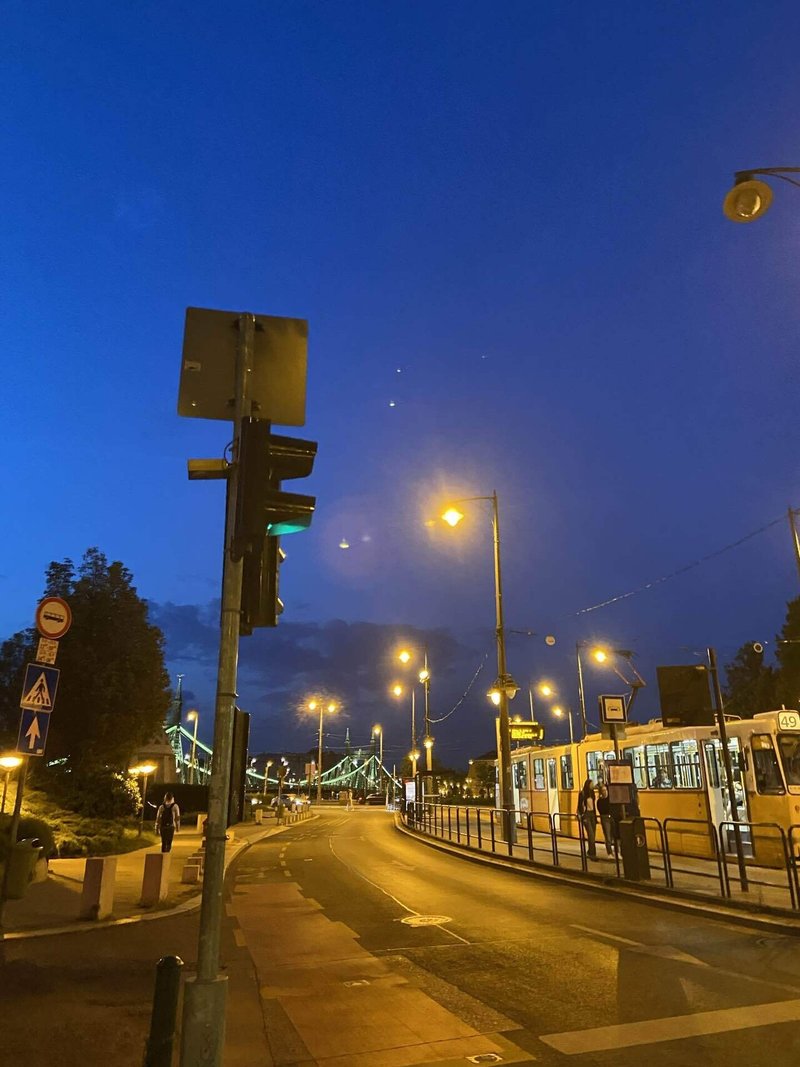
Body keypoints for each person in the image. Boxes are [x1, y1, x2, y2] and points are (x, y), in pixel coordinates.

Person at [577, 778, 598, 860]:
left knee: (593, 835)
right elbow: (579, 805)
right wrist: (582, 815)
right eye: (591, 784)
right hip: (586, 815)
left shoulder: (592, 793)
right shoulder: (582, 793)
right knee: (591, 835)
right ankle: (593, 855)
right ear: (588, 784)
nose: (593, 785)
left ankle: (590, 851)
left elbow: (593, 806)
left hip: (592, 814)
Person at [596, 783, 614, 856]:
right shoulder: (599, 801)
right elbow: (601, 810)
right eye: (603, 790)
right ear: (601, 792)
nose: (605, 791)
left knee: (614, 835)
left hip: (611, 817)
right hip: (605, 818)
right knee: (608, 836)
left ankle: (616, 852)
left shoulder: (610, 799)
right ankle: (609, 853)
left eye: (606, 790)